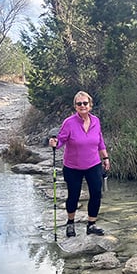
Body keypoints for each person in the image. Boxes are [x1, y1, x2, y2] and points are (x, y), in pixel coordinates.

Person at [49, 91, 111, 237]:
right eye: (79, 103)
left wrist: (105, 158)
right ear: (75, 106)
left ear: (90, 105)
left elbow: (100, 141)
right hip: (73, 167)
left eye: (85, 103)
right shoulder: (69, 123)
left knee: (96, 194)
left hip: (93, 164)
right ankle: (70, 224)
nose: (82, 106)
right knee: (73, 196)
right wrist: (54, 143)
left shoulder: (96, 121)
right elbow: (61, 141)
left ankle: (91, 225)